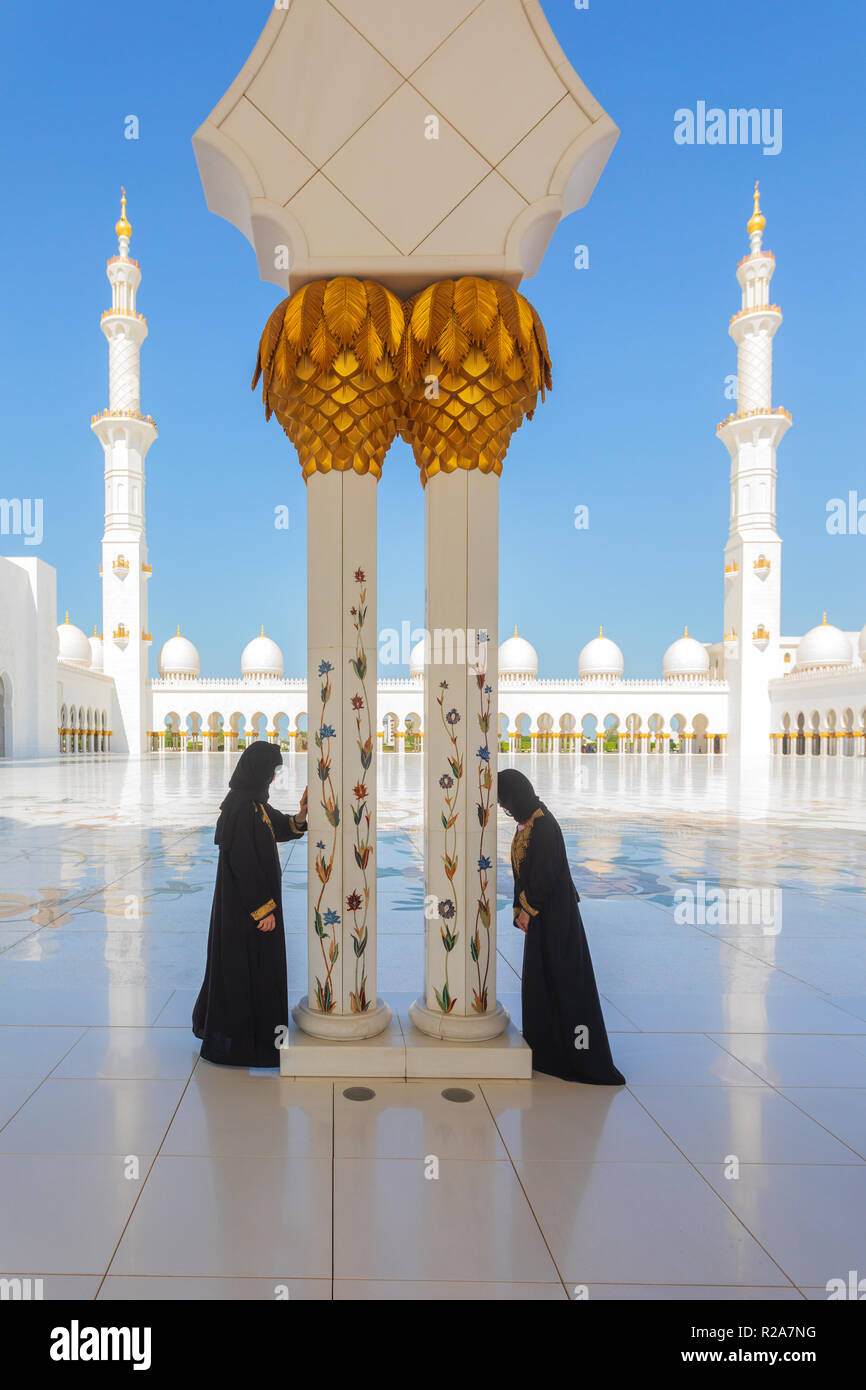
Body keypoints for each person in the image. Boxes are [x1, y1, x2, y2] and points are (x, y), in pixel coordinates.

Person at [497, 768, 625, 1085]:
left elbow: (544, 875)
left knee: (564, 981)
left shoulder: (544, 826)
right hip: (542, 917)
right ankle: (548, 1050)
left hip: (554, 918)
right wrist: (519, 907)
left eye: (505, 801)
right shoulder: (529, 823)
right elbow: (523, 871)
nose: (504, 808)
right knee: (544, 981)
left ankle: (577, 1056)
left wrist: (527, 909)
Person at [192, 742, 307, 1068]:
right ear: (258, 771)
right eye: (271, 772)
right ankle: (240, 1046)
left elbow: (280, 827)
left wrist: (301, 814)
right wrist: (263, 909)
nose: (273, 779)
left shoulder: (253, 805)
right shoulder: (242, 809)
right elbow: (243, 864)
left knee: (254, 972)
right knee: (245, 972)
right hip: (246, 914)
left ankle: (257, 1041)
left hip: (252, 909)